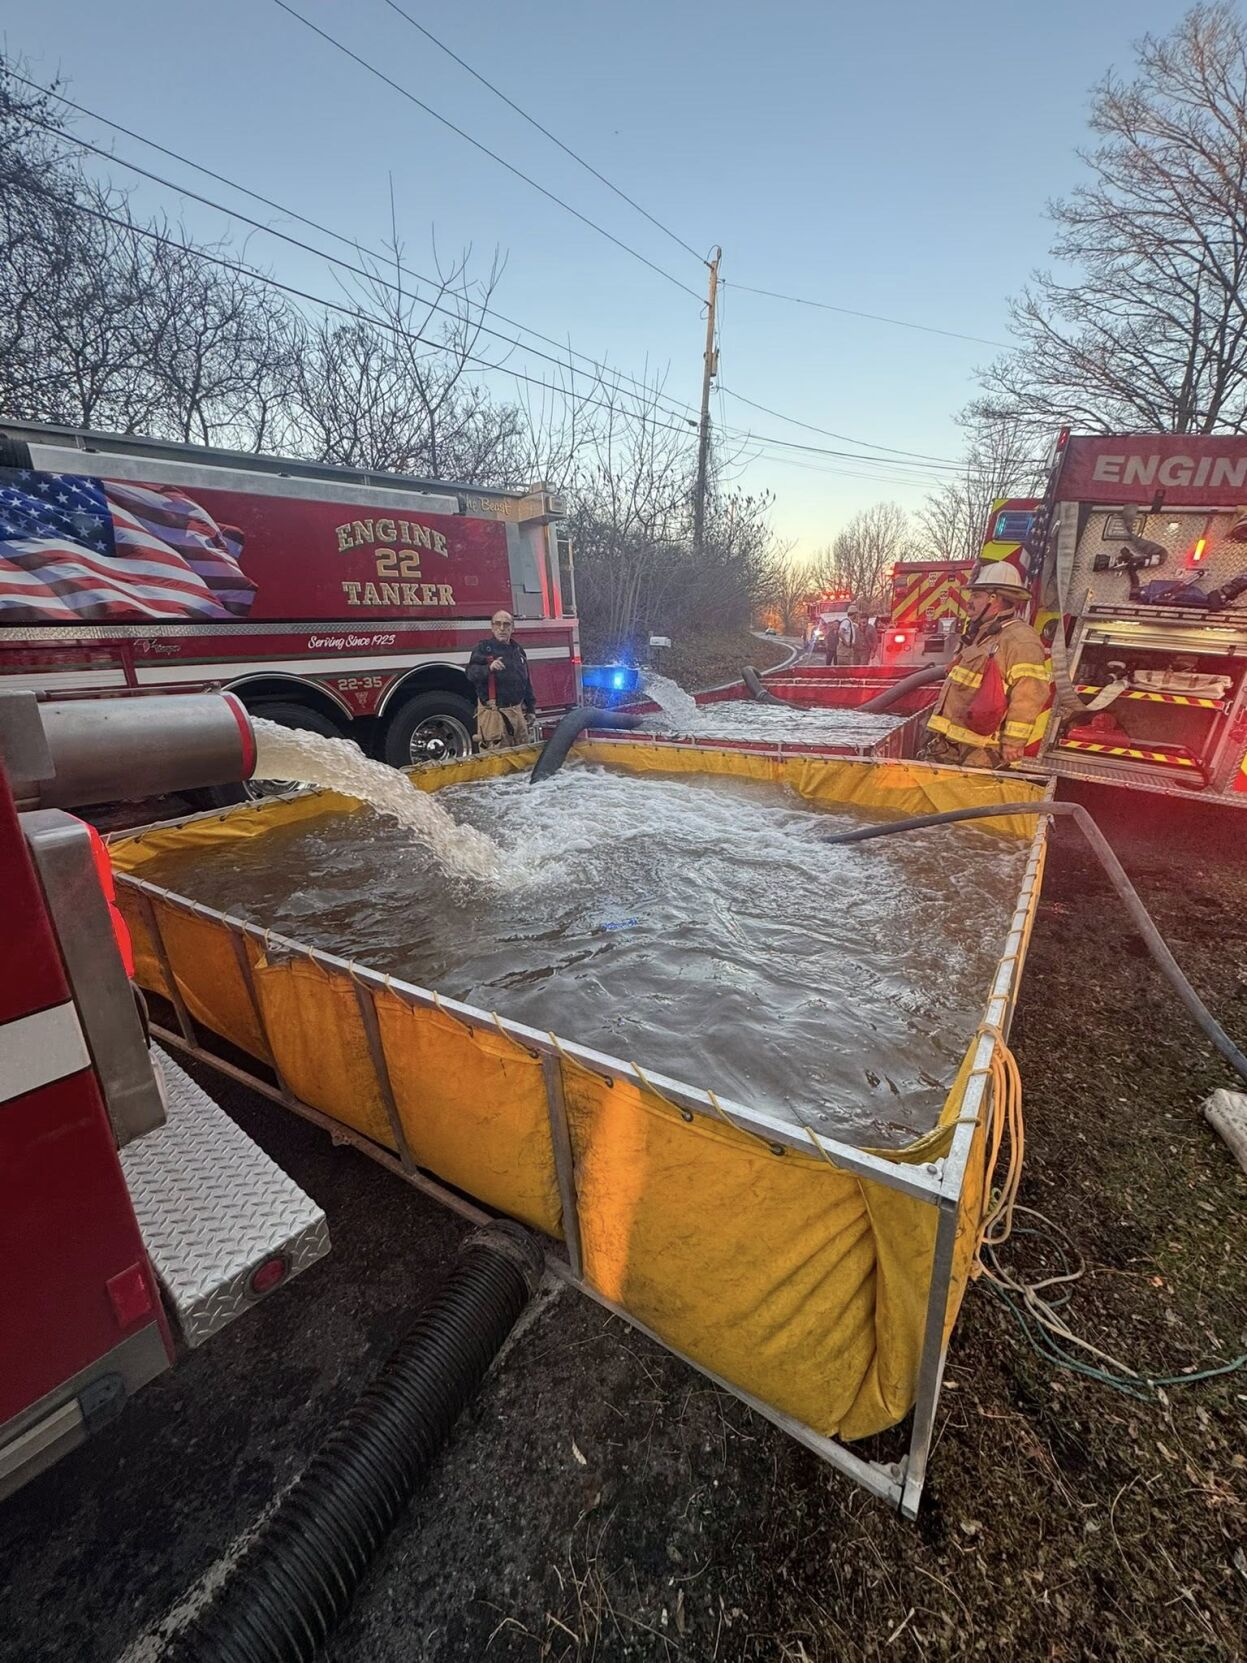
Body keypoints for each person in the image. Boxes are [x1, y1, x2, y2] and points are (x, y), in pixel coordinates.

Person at [923, 565, 1053, 769]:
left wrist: (1013, 742)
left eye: (976, 595)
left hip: (981, 752)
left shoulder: (1020, 639)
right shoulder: (983, 634)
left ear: (995, 599)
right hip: (952, 744)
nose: (970, 602)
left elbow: (1030, 692)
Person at [466, 610, 536, 750]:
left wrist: (531, 709)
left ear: (513, 628)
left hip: (517, 714)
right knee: (497, 765)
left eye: (506, 624)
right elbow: (470, 673)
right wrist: (488, 668)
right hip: (494, 716)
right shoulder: (483, 649)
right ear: (492, 627)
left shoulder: (518, 650)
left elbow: (526, 681)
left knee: (523, 760)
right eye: (498, 624)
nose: (502, 628)